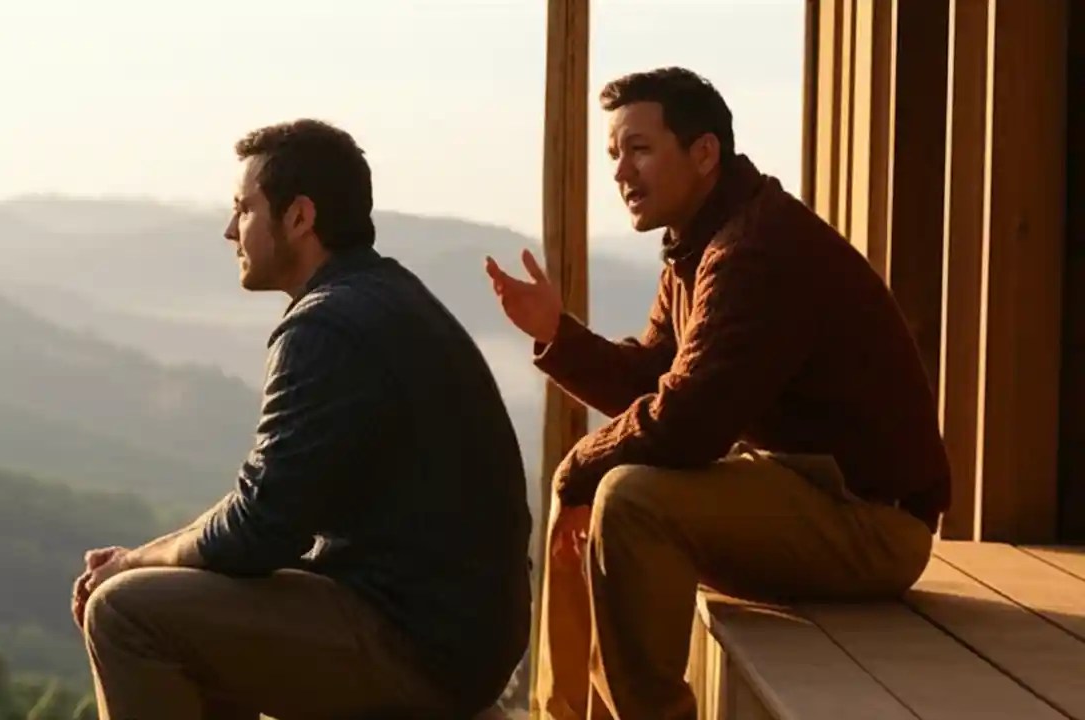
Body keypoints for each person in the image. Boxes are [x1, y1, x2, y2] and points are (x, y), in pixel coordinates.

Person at [486, 67, 951, 720]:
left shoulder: (754, 251)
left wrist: (579, 467)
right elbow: (656, 376)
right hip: (808, 492)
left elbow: (689, 422)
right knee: (608, 491)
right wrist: (556, 335)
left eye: (640, 149)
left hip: (871, 523)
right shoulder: (701, 246)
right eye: (615, 153)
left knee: (627, 499)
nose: (621, 172)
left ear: (704, 154)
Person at [70, 119, 532, 720]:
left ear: (299, 217)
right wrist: (156, 555)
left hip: (418, 646)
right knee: (201, 604)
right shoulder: (383, 295)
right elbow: (273, 506)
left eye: (245, 209)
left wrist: (134, 564)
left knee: (124, 612)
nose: (230, 230)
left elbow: (257, 530)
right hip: (463, 634)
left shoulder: (326, 326)